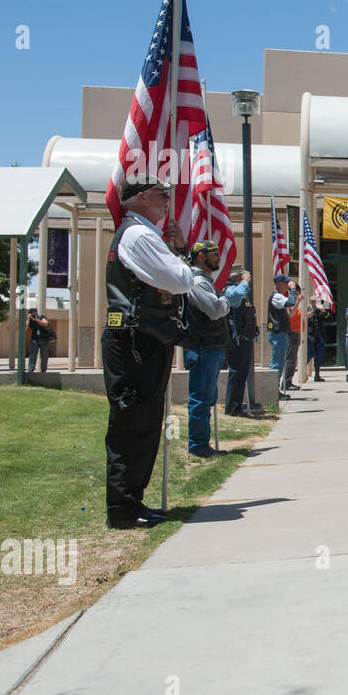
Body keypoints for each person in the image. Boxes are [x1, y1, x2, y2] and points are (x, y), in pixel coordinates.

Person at [101, 173, 195, 529]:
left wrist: (177, 253)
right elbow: (180, 280)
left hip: (142, 341)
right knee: (133, 424)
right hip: (134, 343)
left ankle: (132, 502)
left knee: (144, 424)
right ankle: (123, 508)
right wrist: (181, 259)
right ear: (139, 197)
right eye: (161, 193)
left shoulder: (143, 233)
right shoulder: (139, 234)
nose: (167, 199)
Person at [182, 240, 249, 457]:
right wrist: (226, 298)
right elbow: (214, 310)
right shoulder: (196, 281)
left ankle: (203, 443)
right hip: (203, 346)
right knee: (201, 397)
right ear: (201, 256)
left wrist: (223, 299)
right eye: (214, 253)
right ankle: (198, 446)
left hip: (211, 346)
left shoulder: (206, 281)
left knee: (208, 396)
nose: (219, 258)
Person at [223, 265, 260, 417]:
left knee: (241, 374)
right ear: (236, 276)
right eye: (242, 275)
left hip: (246, 337)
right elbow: (237, 295)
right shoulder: (230, 290)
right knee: (236, 373)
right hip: (237, 339)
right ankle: (233, 408)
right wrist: (245, 282)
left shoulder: (240, 291)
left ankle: (237, 405)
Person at [267, 275, 296, 377]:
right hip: (277, 333)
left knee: (280, 362)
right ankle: (273, 389)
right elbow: (290, 302)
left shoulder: (280, 296)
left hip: (281, 333)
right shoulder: (277, 296)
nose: (288, 285)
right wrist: (293, 290)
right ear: (279, 284)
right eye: (286, 283)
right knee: (277, 362)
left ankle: (276, 388)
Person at [282, 283, 302, 392]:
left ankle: (288, 381)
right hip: (291, 333)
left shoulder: (293, 303)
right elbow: (291, 314)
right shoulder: (289, 302)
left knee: (292, 359)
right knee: (290, 359)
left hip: (296, 333)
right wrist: (297, 301)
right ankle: (286, 383)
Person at [307, 295, 329, 383]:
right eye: (314, 302)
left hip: (319, 336)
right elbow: (303, 319)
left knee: (319, 356)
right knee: (309, 354)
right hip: (310, 336)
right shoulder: (307, 309)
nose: (316, 304)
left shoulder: (320, 310)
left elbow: (328, 317)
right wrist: (308, 315)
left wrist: (322, 310)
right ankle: (302, 372)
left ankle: (317, 375)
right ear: (311, 302)